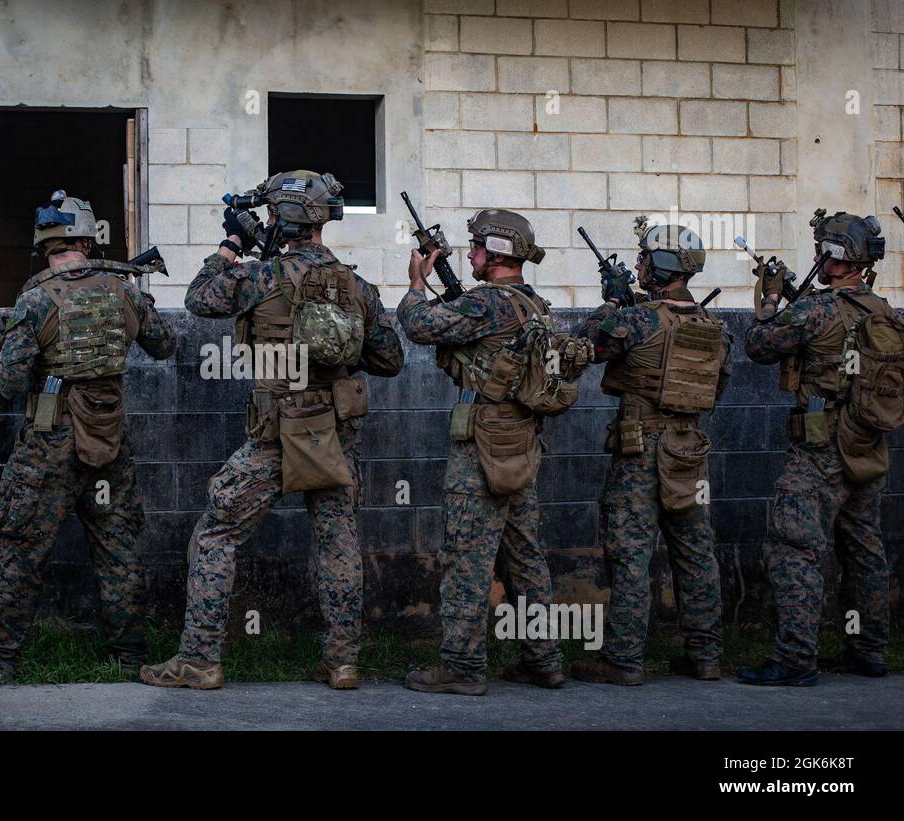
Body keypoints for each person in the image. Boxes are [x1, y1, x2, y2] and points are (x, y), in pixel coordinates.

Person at [140, 170, 404, 690]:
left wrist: (229, 244)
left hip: (275, 430)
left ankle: (199, 659)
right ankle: (343, 662)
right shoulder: (358, 286)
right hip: (334, 434)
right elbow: (390, 359)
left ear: (281, 218)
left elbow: (198, 297)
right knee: (338, 542)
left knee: (218, 531)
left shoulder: (258, 278)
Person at [0, 191, 176, 681]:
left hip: (49, 443)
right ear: (90, 238)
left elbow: (6, 385)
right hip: (109, 440)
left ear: (43, 244)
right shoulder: (124, 290)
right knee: (119, 546)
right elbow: (164, 345)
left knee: (16, 544)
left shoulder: (35, 299)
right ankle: (128, 656)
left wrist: (15, 342)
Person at [399, 209, 590, 696]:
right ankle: (543, 660)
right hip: (522, 442)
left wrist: (417, 284)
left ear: (499, 253)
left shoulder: (487, 304)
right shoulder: (535, 304)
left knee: (468, 556)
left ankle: (462, 667)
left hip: (482, 445)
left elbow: (419, 326)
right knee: (525, 556)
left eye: (478, 248)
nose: (472, 255)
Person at [738, 209, 899, 686]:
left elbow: (761, 343)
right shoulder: (882, 310)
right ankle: (868, 650)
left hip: (820, 446)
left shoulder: (815, 310)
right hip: (867, 442)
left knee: (794, 546)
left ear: (833, 255)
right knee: (863, 546)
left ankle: (795, 658)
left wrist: (771, 297)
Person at [570, 219, 730, 686]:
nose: (637, 264)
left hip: (639, 447)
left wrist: (614, 300)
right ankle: (706, 656)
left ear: (660, 265)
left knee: (631, 553)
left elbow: (585, 345)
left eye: (643, 257)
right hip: (691, 450)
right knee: (696, 551)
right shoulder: (713, 326)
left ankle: (623, 661)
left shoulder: (635, 319)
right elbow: (718, 388)